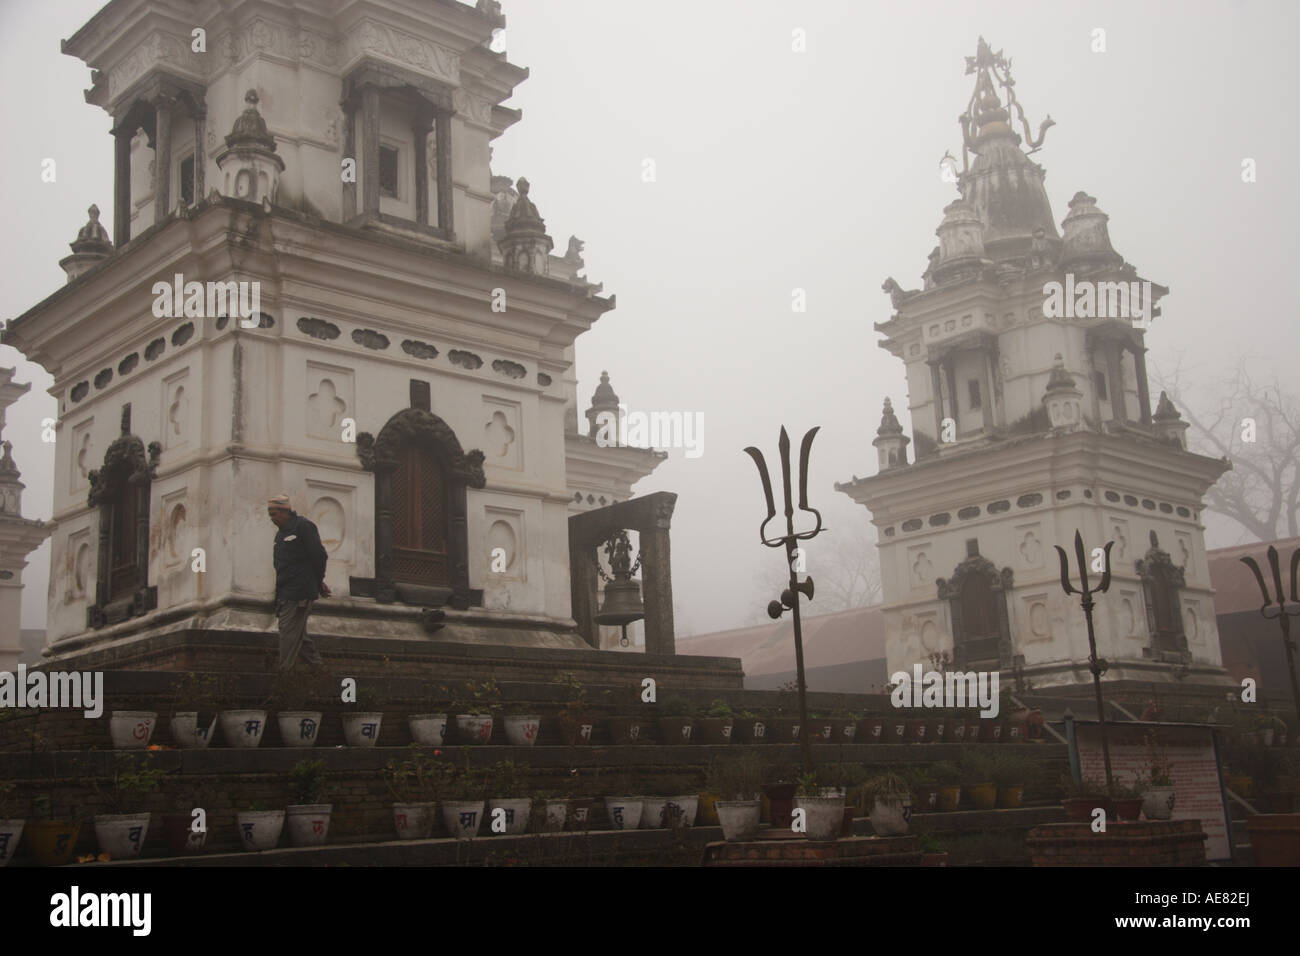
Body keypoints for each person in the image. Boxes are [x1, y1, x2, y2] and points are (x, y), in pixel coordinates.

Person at [267, 494, 330, 670]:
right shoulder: (280, 535)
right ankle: (320, 671)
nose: (272, 519)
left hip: (298, 594)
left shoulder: (304, 527)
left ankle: (284, 678)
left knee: (287, 634)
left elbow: (319, 556)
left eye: (274, 514)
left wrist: (319, 581)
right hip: (285, 592)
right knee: (299, 637)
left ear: (285, 511)